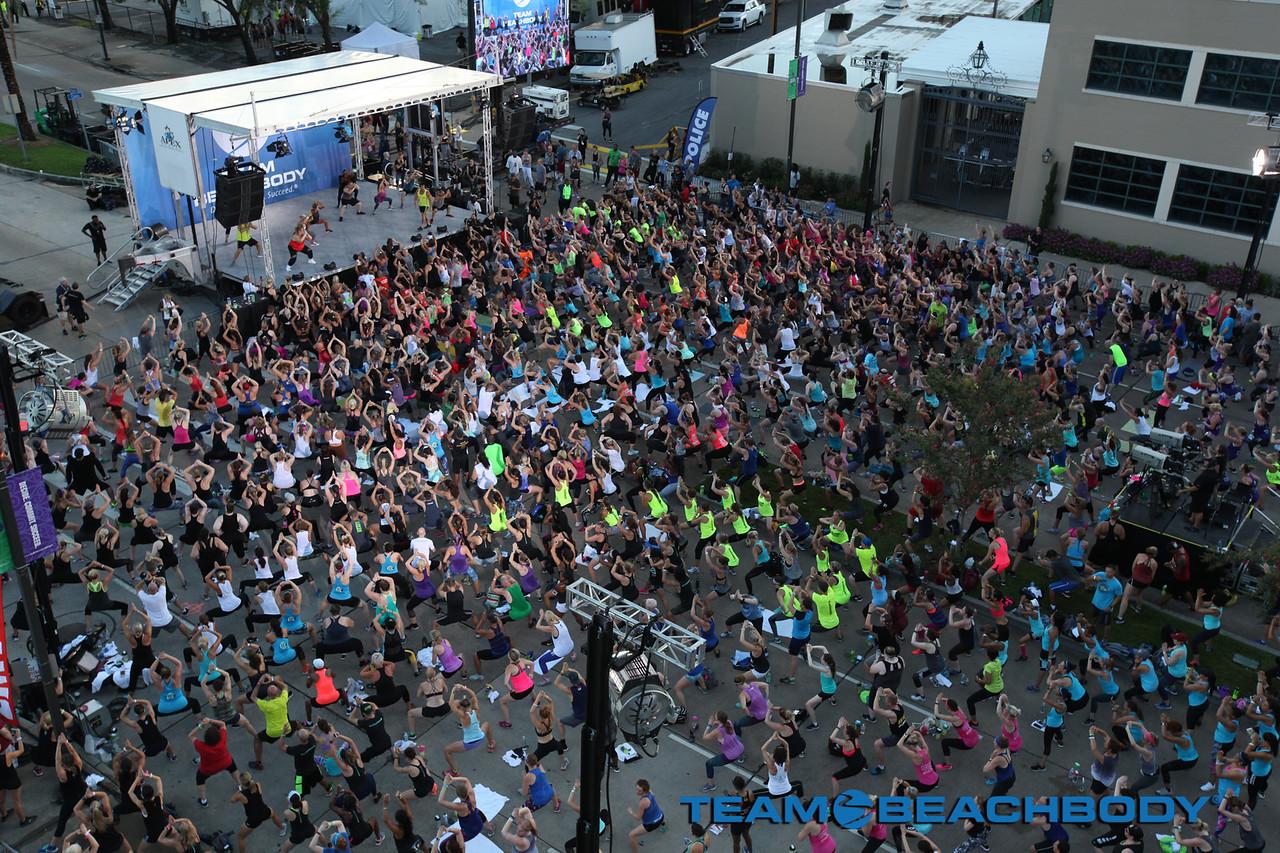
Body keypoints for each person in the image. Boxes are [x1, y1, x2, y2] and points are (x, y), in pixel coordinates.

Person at [626, 779, 664, 852]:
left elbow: (638, 818)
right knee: (658, 814)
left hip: (651, 824)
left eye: (639, 791)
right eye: (636, 789)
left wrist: (631, 812)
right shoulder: (650, 791)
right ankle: (663, 826)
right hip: (661, 815)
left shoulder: (642, 802)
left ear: (644, 790)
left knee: (631, 835)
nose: (637, 792)